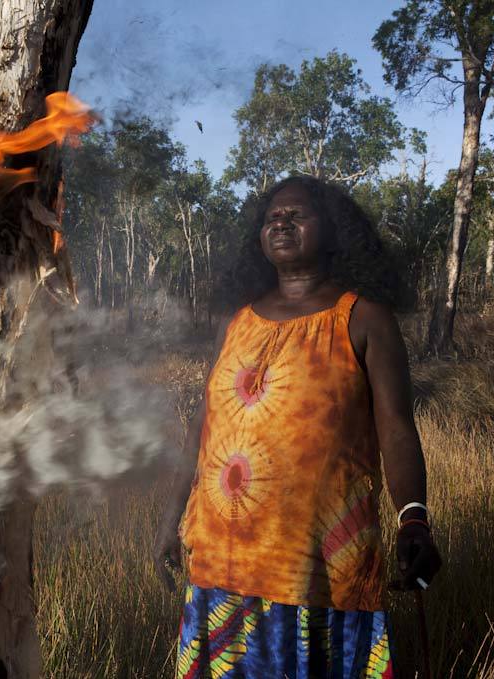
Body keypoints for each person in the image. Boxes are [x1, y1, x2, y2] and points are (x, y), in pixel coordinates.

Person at [153, 175, 442, 678]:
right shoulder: (236, 320)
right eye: (271, 218)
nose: (281, 223)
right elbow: (203, 426)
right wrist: (171, 517)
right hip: (225, 561)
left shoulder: (364, 318)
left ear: (332, 231)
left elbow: (397, 428)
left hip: (320, 565)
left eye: (296, 215)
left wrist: (413, 518)